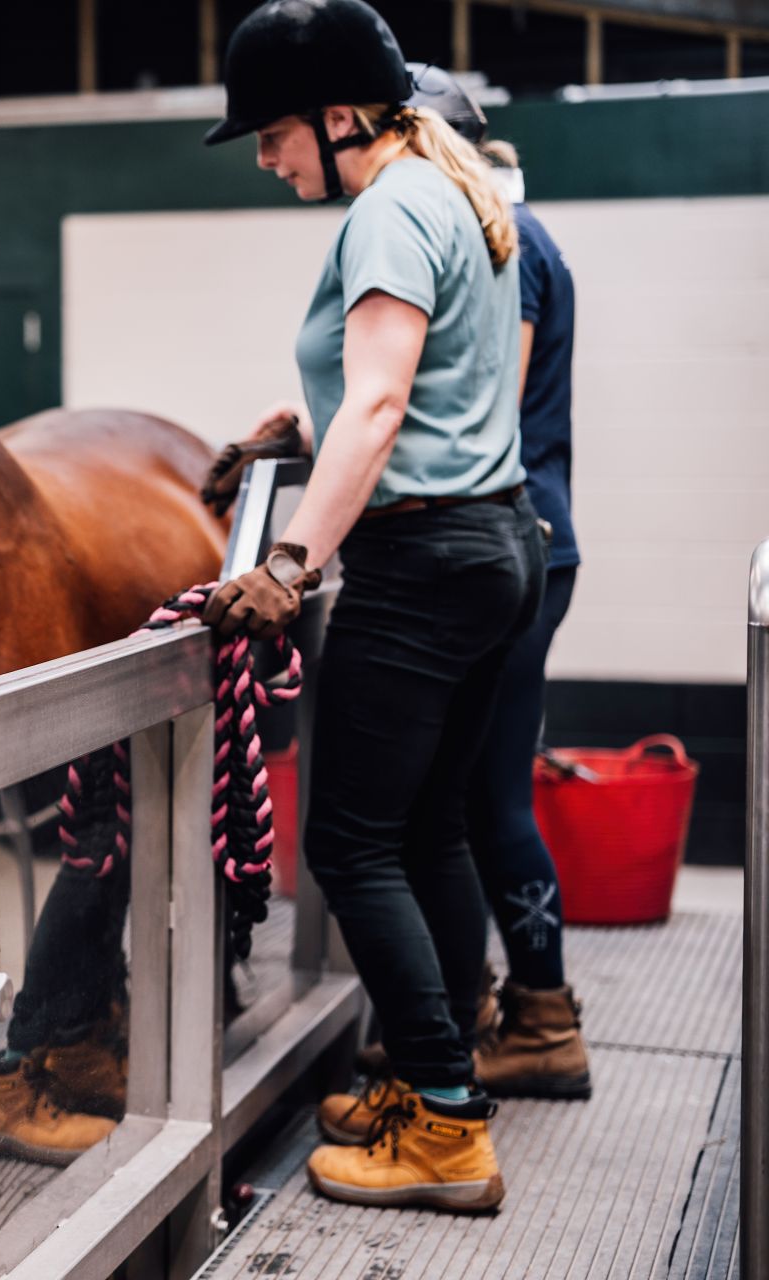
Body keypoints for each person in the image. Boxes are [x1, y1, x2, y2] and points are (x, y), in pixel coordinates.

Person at [200, 0, 544, 1212]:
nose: (265, 157)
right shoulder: (452, 193)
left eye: (273, 133)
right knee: (430, 829)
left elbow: (385, 406)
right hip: (495, 540)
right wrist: (297, 432)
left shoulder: (390, 210)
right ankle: (429, 1076)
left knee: (348, 842)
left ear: (340, 116)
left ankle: (445, 1125)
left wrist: (289, 560)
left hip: (422, 565)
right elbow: (432, 389)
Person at [404, 64, 592, 1099]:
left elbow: (489, 400)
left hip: (516, 539)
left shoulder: (503, 243)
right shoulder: (517, 231)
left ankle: (540, 1019)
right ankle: (485, 1006)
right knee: (476, 796)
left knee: (488, 799)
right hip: (536, 537)